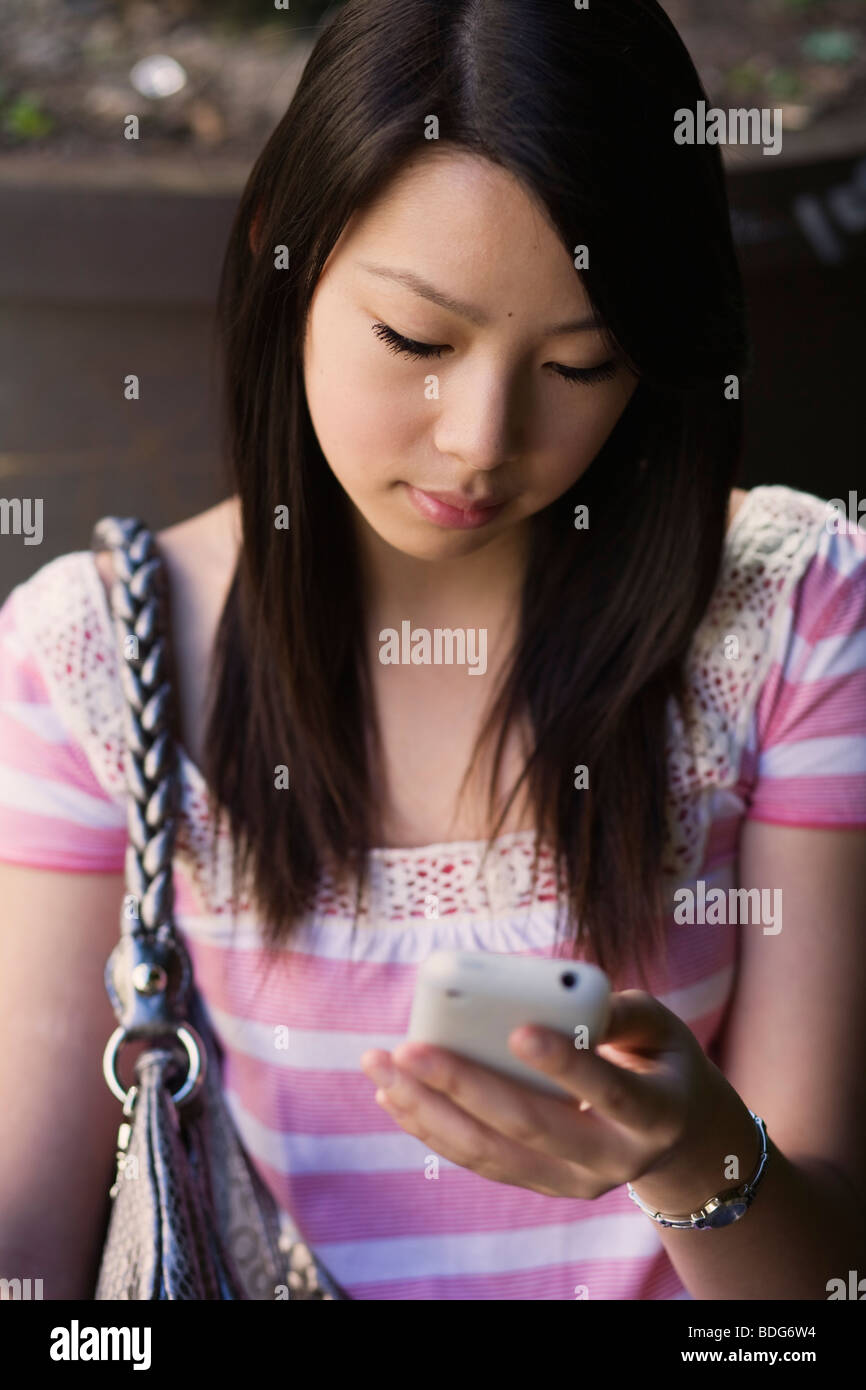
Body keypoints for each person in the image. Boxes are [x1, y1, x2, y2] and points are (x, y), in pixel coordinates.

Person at [1, 0, 864, 1301]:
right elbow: (30, 1238)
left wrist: (692, 1154)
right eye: (417, 341)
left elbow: (826, 1277)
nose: (479, 436)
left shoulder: (789, 611)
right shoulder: (96, 658)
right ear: (281, 254)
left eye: (581, 363)